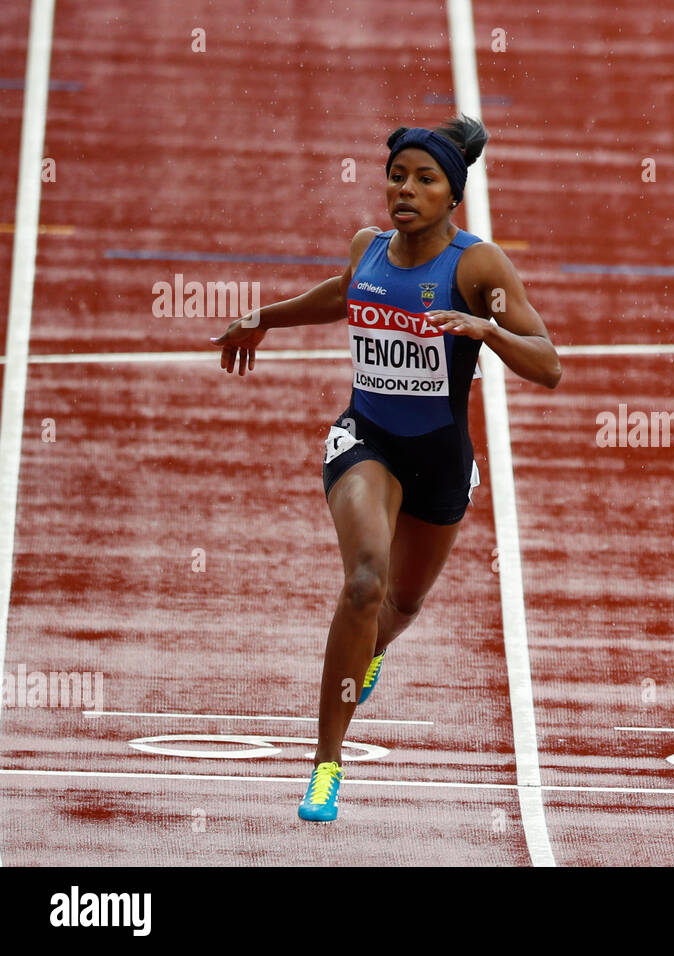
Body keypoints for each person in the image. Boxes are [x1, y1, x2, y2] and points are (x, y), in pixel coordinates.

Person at [211, 116, 561, 820]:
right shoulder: (367, 248)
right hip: (364, 443)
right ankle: (325, 764)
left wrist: (488, 330)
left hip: (441, 460)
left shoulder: (477, 267)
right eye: (397, 176)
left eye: (424, 180)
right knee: (366, 581)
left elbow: (548, 365)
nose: (405, 190)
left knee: (402, 603)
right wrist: (265, 317)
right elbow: (346, 295)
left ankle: (372, 652)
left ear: (451, 196)